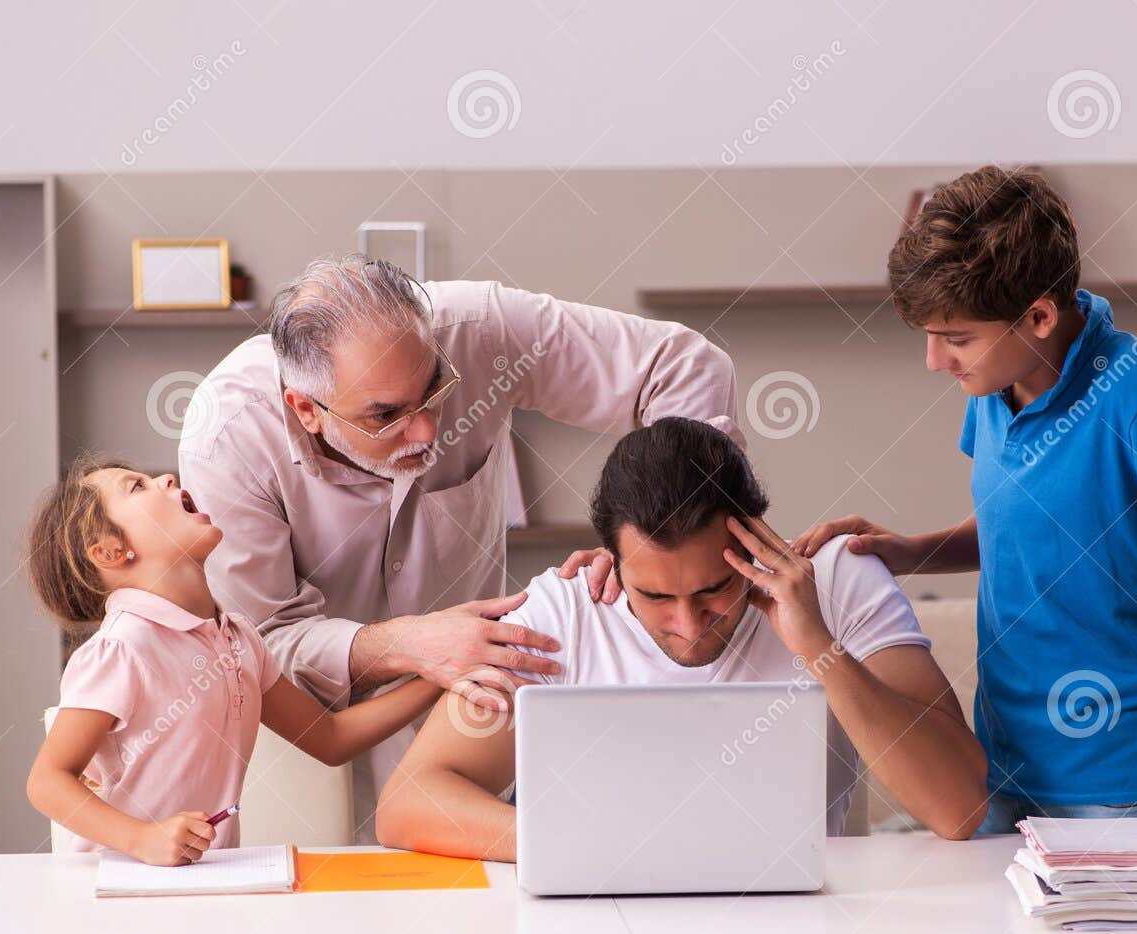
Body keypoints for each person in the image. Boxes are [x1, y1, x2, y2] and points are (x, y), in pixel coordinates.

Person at [794, 165, 1137, 833]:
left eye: (956, 339)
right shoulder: (997, 384)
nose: (935, 361)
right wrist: (914, 552)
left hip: (1129, 792)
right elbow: (1035, 524)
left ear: (1040, 316)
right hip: (1004, 775)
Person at [178, 255, 743, 838]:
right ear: (306, 410)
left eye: (433, 390)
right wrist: (410, 644)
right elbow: (263, 640)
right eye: (386, 415)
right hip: (312, 749)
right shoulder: (227, 439)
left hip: (476, 728)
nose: (427, 431)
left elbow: (684, 365)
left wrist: (651, 539)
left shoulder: (480, 331)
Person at [375, 417, 989, 860]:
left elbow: (958, 808)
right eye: (656, 597)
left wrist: (818, 647)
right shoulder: (564, 612)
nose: (689, 626)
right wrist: (591, 848)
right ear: (610, 561)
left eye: (714, 589)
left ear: (755, 536)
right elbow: (409, 803)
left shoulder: (838, 582)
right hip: (593, 923)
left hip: (792, 931)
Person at [24, 455, 440, 866]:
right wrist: (142, 839)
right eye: (137, 487)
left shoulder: (239, 639)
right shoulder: (121, 648)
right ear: (111, 552)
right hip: (112, 887)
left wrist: (440, 674)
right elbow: (46, 781)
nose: (165, 477)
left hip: (200, 882)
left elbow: (330, 738)